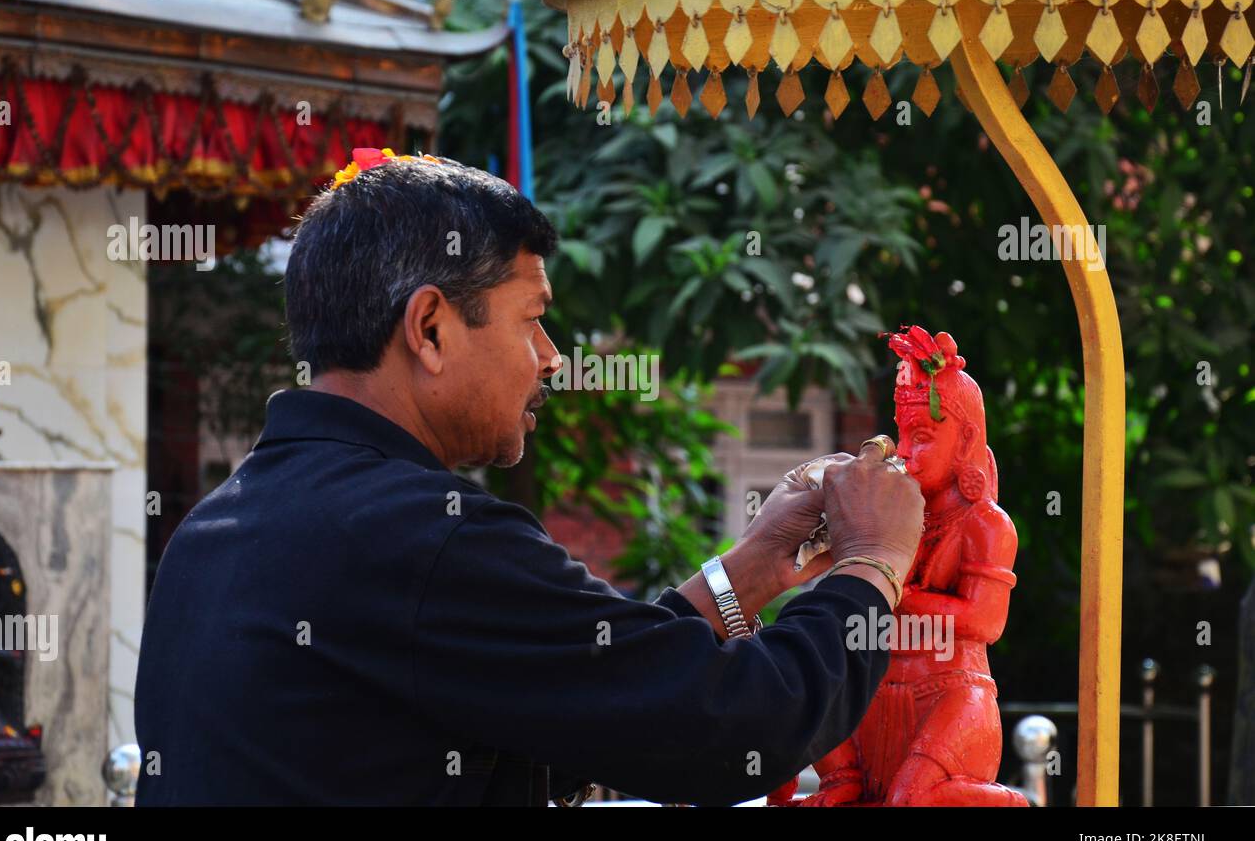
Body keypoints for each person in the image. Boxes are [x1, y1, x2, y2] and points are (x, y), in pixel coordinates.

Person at [133, 150, 925, 806]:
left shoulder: (211, 532)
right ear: (431, 327)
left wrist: (745, 574)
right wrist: (870, 563)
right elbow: (731, 730)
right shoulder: (425, 536)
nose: (551, 356)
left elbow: (577, 698)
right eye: (530, 318)